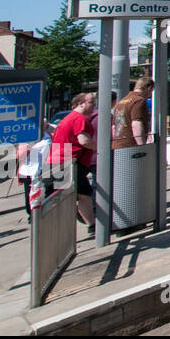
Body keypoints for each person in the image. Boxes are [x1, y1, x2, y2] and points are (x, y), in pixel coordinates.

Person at [47, 92, 97, 235]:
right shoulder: (79, 119)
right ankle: (91, 225)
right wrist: (100, 148)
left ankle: (61, 228)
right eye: (91, 102)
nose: (93, 105)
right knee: (83, 194)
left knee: (70, 195)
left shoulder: (67, 118)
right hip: (69, 162)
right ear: (81, 103)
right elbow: (84, 141)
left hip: (58, 162)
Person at [111, 78, 153, 150]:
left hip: (117, 147)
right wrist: (142, 147)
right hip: (131, 148)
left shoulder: (121, 102)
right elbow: (136, 124)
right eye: (151, 91)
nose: (150, 94)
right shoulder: (139, 100)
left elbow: (114, 127)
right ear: (149, 88)